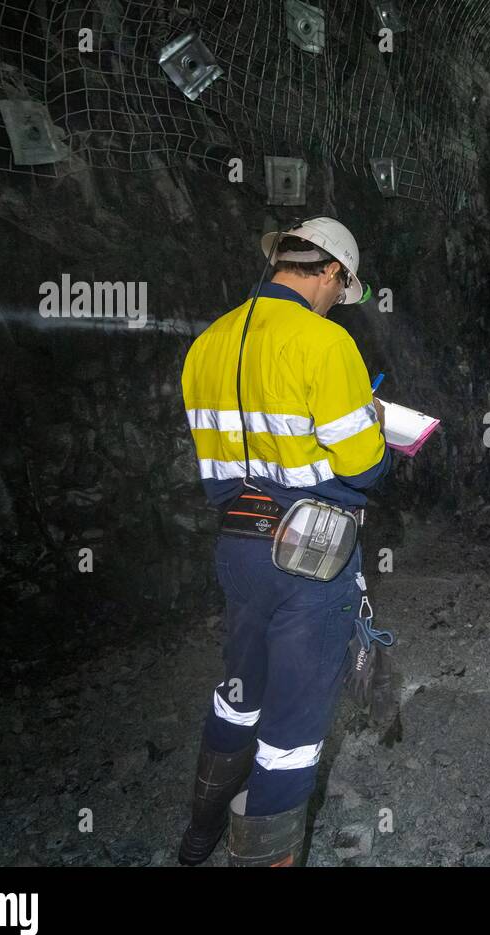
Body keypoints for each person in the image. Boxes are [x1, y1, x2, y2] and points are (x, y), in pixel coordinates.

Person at [177, 217, 389, 866]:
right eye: (340, 291)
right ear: (330, 273)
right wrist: (376, 428)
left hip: (238, 550)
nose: (336, 303)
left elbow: (227, 461)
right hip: (309, 557)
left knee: (240, 694)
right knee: (292, 734)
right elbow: (363, 467)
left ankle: (199, 835)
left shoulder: (207, 343)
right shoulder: (325, 343)